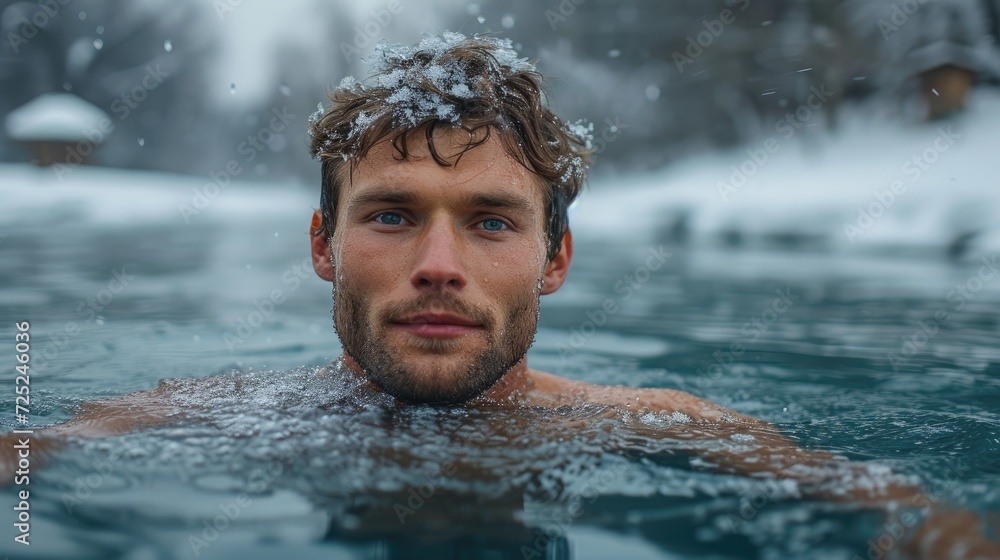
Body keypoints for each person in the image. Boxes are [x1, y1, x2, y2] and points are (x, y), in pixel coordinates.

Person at [3, 32, 999, 559]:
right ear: (323, 244)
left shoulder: (663, 423)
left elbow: (889, 504)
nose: (439, 263)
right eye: (392, 215)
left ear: (555, 256)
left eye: (490, 221)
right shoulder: (201, 411)